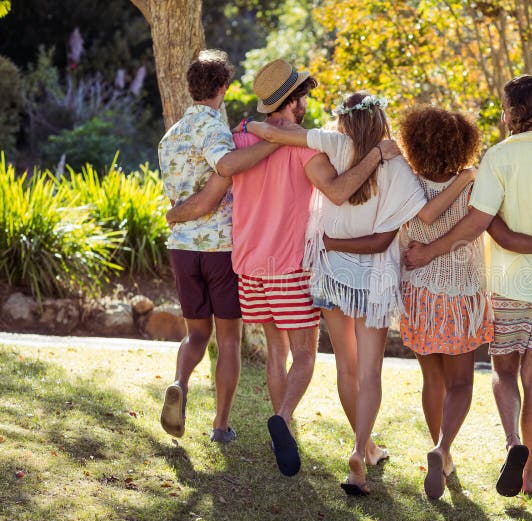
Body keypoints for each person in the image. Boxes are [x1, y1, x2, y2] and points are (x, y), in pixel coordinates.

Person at [167, 60, 394, 477]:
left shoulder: (238, 139)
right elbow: (341, 192)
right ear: (292, 101)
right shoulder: (302, 148)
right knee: (305, 356)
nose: (307, 103)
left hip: (248, 266)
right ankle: (283, 419)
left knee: (277, 351)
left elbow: (216, 189)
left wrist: (179, 213)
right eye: (303, 96)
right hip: (289, 265)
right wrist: (378, 153)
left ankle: (281, 431)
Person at [246, 93, 470, 496]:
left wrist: (255, 127)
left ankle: (365, 449)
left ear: (344, 120)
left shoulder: (334, 144)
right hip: (374, 281)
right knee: (369, 373)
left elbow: (276, 134)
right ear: (381, 119)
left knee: (345, 368)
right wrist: (466, 180)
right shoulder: (397, 165)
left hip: (332, 275)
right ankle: (358, 450)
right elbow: (429, 214)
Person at [405, 69, 532, 497]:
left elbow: (476, 224)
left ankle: (513, 443)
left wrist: (428, 251)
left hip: (507, 285)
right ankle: (531, 474)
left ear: (512, 113)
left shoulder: (499, 157)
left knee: (503, 374)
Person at [157, 49, 280, 444]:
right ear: (223, 87)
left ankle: (179, 382)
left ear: (190, 87)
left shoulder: (170, 135)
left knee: (195, 335)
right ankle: (221, 426)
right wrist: (275, 143)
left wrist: (177, 215)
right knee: (228, 338)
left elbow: (181, 198)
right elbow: (226, 166)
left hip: (182, 248)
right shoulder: (214, 128)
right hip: (219, 249)